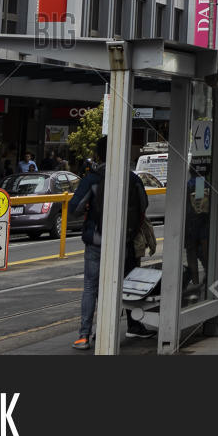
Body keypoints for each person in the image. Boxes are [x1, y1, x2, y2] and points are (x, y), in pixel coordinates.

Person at [67, 136, 149, 349]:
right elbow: (143, 205)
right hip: (125, 241)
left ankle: (84, 335)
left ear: (98, 154)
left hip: (96, 240)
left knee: (90, 286)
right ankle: (133, 325)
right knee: (129, 285)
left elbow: (74, 208)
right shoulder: (132, 178)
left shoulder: (91, 179)